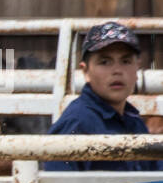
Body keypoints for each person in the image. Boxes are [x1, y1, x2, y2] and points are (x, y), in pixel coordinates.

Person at [44, 22, 160, 173]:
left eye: (125, 61)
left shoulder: (133, 120)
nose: (117, 71)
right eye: (104, 62)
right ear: (85, 72)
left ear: (136, 68)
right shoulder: (77, 122)